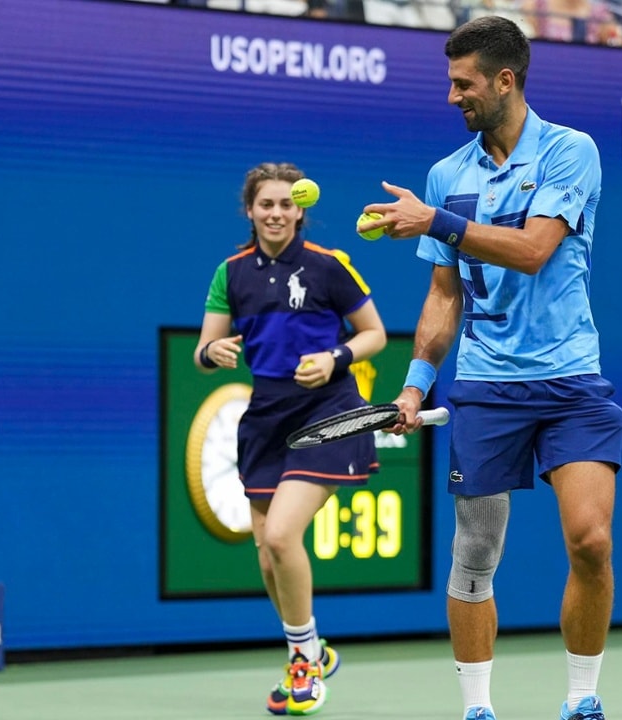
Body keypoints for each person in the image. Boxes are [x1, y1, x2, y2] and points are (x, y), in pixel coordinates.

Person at [360, 16, 622, 720]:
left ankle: (581, 698)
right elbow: (443, 295)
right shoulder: (447, 176)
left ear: (505, 81)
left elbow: (535, 249)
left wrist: (436, 223)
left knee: (591, 541)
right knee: (475, 552)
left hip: (571, 382)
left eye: (464, 83)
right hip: (485, 385)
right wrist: (416, 384)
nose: (453, 97)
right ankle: (478, 709)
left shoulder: (571, 152)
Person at [195, 162, 387, 716]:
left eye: (285, 204)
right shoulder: (230, 273)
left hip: (327, 412)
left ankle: (302, 661)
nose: (276, 213)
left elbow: (373, 332)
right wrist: (215, 352)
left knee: (281, 535)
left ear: (300, 210)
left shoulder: (329, 267)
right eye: (265, 205)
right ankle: (314, 648)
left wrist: (336, 357)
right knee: (266, 557)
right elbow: (204, 351)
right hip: (266, 420)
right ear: (250, 211)